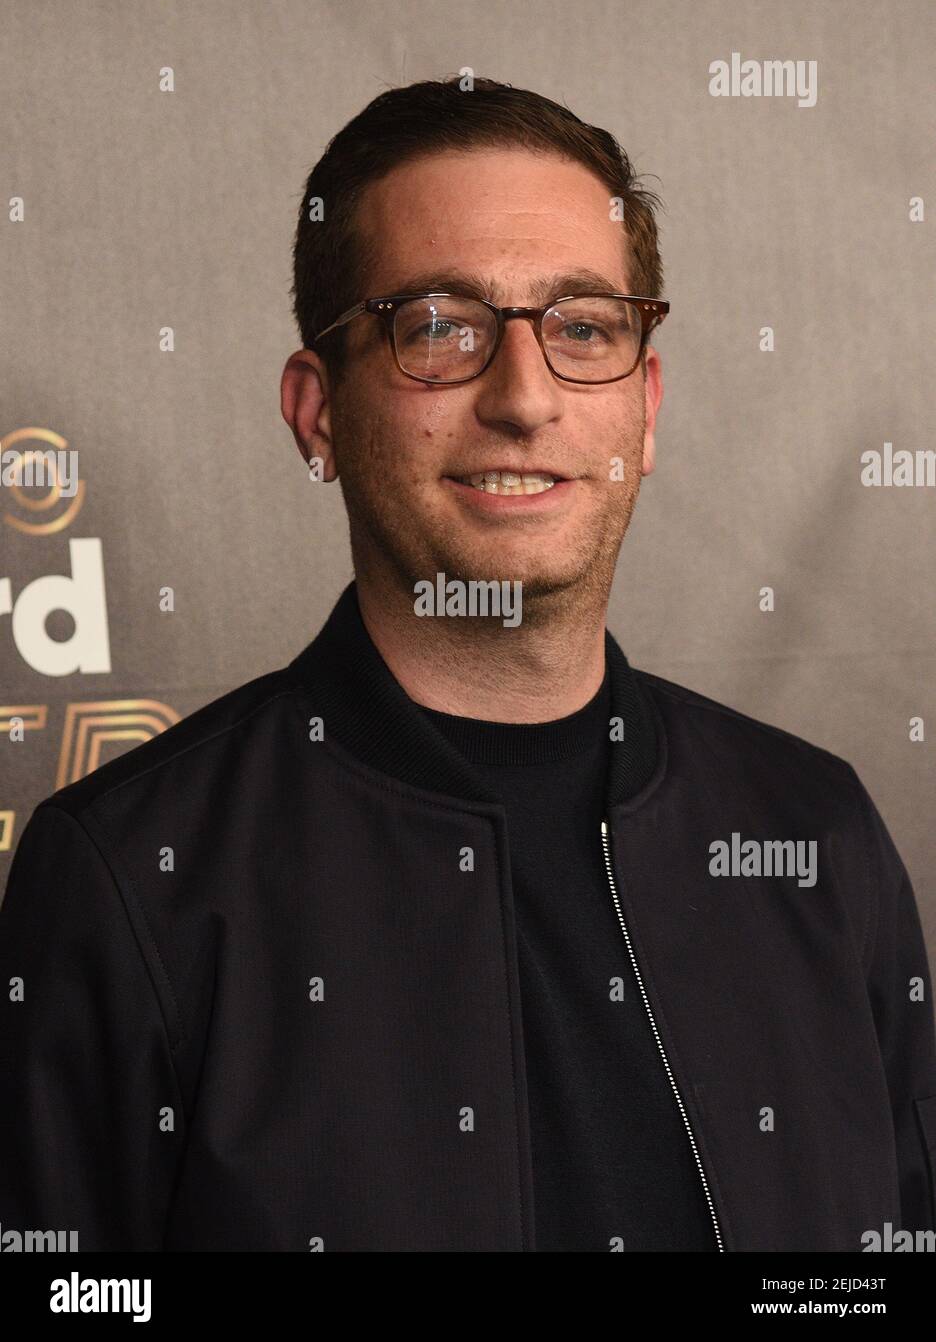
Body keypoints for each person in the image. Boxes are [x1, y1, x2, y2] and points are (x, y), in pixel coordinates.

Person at [1, 77, 934, 1253]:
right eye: (440, 327)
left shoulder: (819, 835)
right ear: (318, 412)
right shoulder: (130, 878)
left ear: (644, 411)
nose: (525, 398)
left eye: (583, 327)